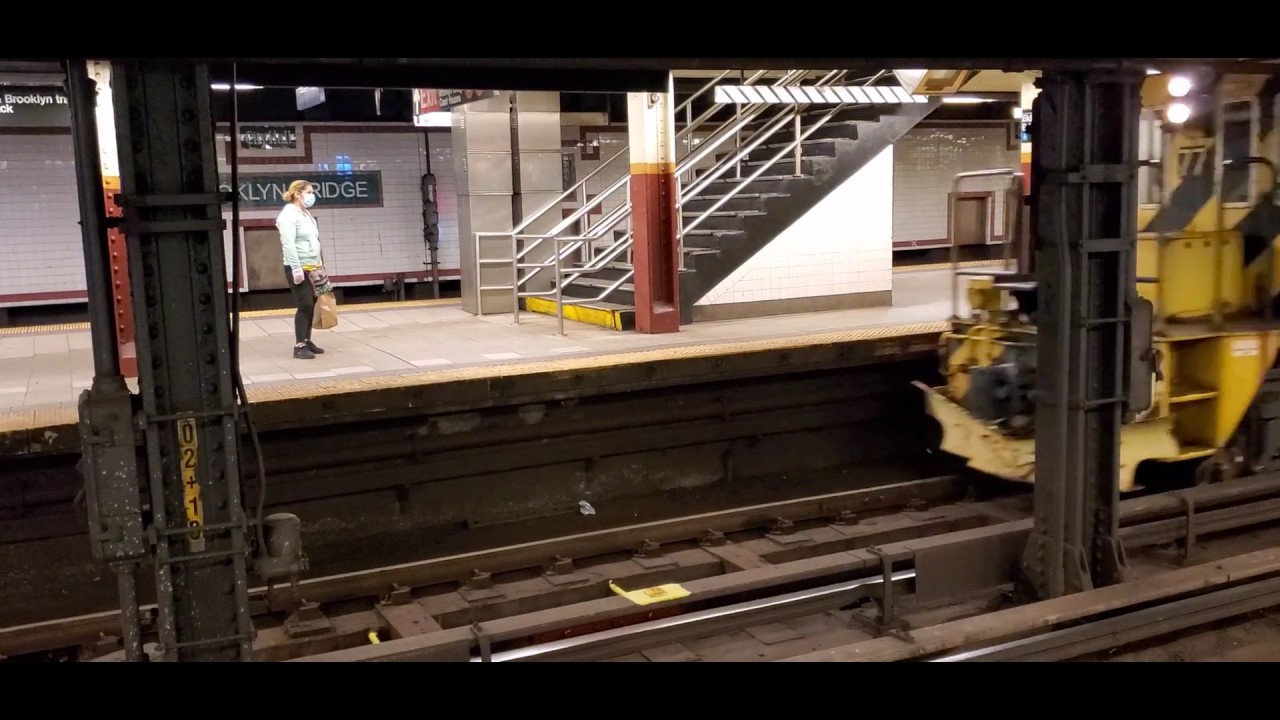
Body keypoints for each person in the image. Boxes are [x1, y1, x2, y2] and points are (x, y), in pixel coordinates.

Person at [276, 180, 326, 360]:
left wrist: (320, 265)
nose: (312, 196)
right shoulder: (288, 215)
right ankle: (299, 346)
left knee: (311, 303)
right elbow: (288, 244)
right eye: (309, 192)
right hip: (298, 267)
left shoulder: (305, 214)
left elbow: (313, 241)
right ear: (298, 194)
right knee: (304, 304)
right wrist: (296, 269)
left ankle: (307, 339)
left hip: (313, 267)